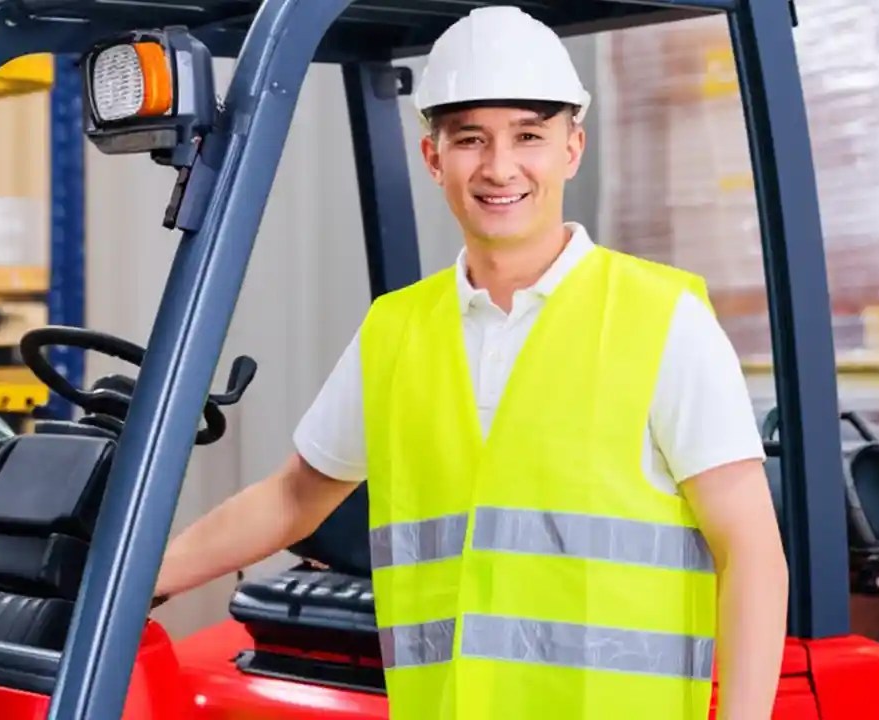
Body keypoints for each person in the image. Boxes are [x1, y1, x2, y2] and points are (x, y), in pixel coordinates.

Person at [153, 6, 787, 719]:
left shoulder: (662, 319)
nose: (499, 168)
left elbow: (752, 552)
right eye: (470, 140)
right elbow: (296, 496)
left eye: (529, 137)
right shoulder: (397, 330)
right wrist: (139, 578)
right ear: (433, 157)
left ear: (572, 149)